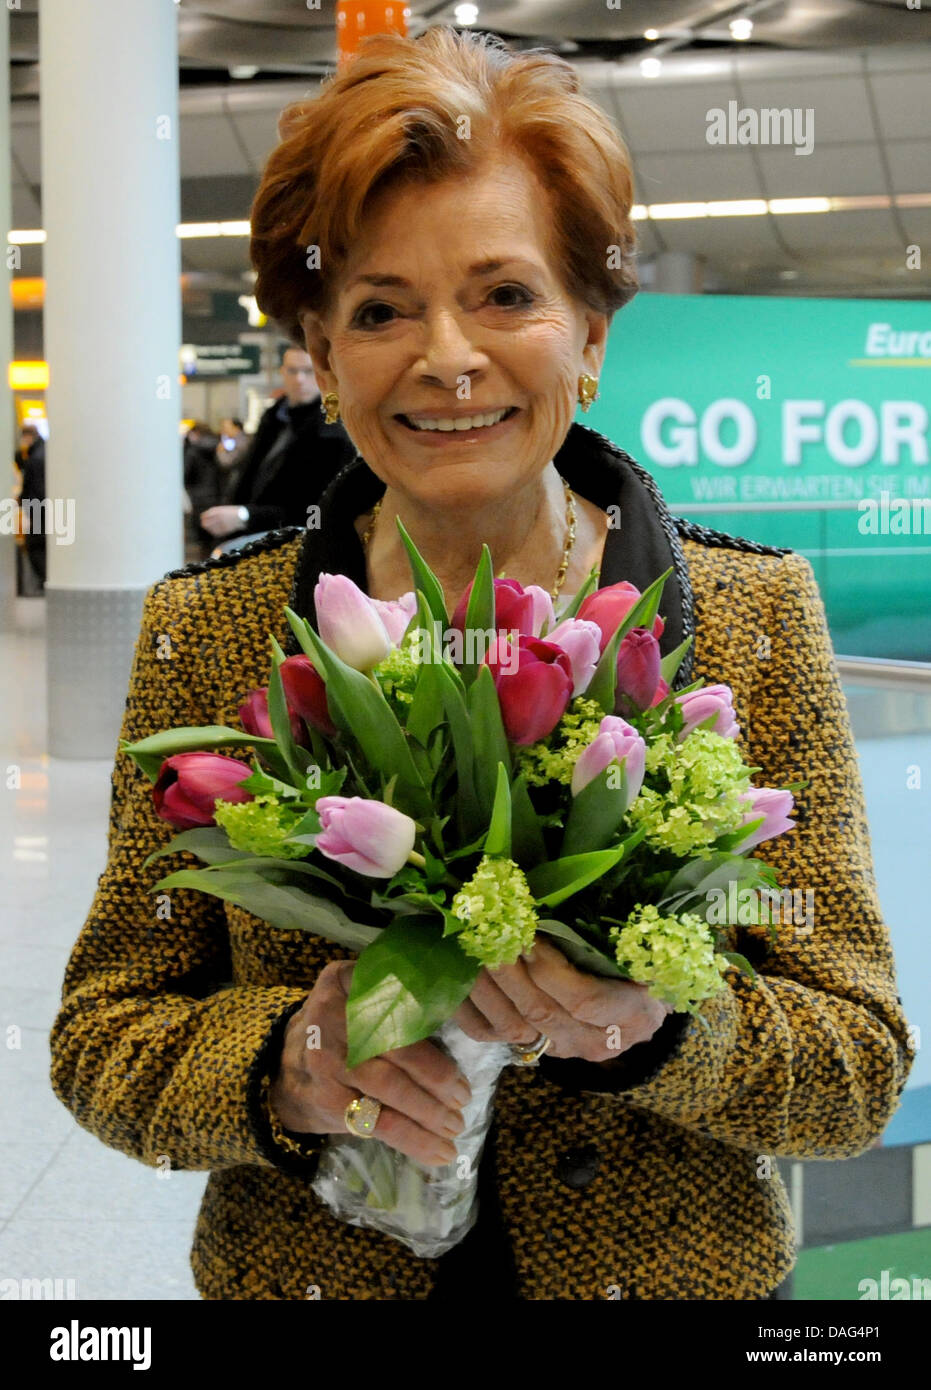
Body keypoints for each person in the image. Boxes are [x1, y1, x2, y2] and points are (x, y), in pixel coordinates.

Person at [49, 27, 913, 1301]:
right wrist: (291, 1061)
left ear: (591, 338)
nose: (447, 354)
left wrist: (656, 1027)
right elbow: (105, 1038)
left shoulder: (746, 619)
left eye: (506, 295)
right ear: (324, 353)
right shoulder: (217, 634)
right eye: (381, 309)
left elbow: (856, 1067)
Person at [198, 346, 356, 541]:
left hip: (294, 542)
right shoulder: (273, 418)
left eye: (308, 371)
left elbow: (318, 508)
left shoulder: (332, 431)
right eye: (293, 370)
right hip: (254, 535)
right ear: (282, 372)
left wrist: (246, 516)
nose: (299, 379)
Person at [14, 423, 47, 589]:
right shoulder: (44, 452)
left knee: (34, 545)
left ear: (28, 436)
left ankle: (45, 580)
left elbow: (35, 488)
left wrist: (25, 505)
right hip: (47, 508)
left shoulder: (35, 458)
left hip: (39, 509)